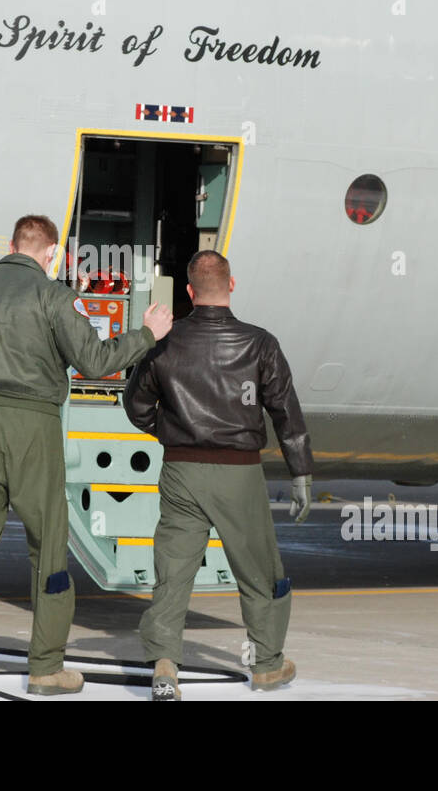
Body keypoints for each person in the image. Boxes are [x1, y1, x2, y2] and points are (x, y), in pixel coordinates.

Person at [0, 215, 173, 700]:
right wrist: (145, 335)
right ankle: (46, 668)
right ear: (51, 253)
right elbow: (96, 362)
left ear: (11, 244)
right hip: (33, 426)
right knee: (48, 546)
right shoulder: (55, 296)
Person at [123, 250, 313, 700]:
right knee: (260, 571)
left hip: (181, 471)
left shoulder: (163, 343)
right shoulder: (260, 343)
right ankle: (267, 663)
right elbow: (286, 411)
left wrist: (169, 430)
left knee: (173, 569)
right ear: (232, 284)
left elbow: (135, 405)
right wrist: (300, 472)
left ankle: (166, 665)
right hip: (240, 473)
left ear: (189, 292)